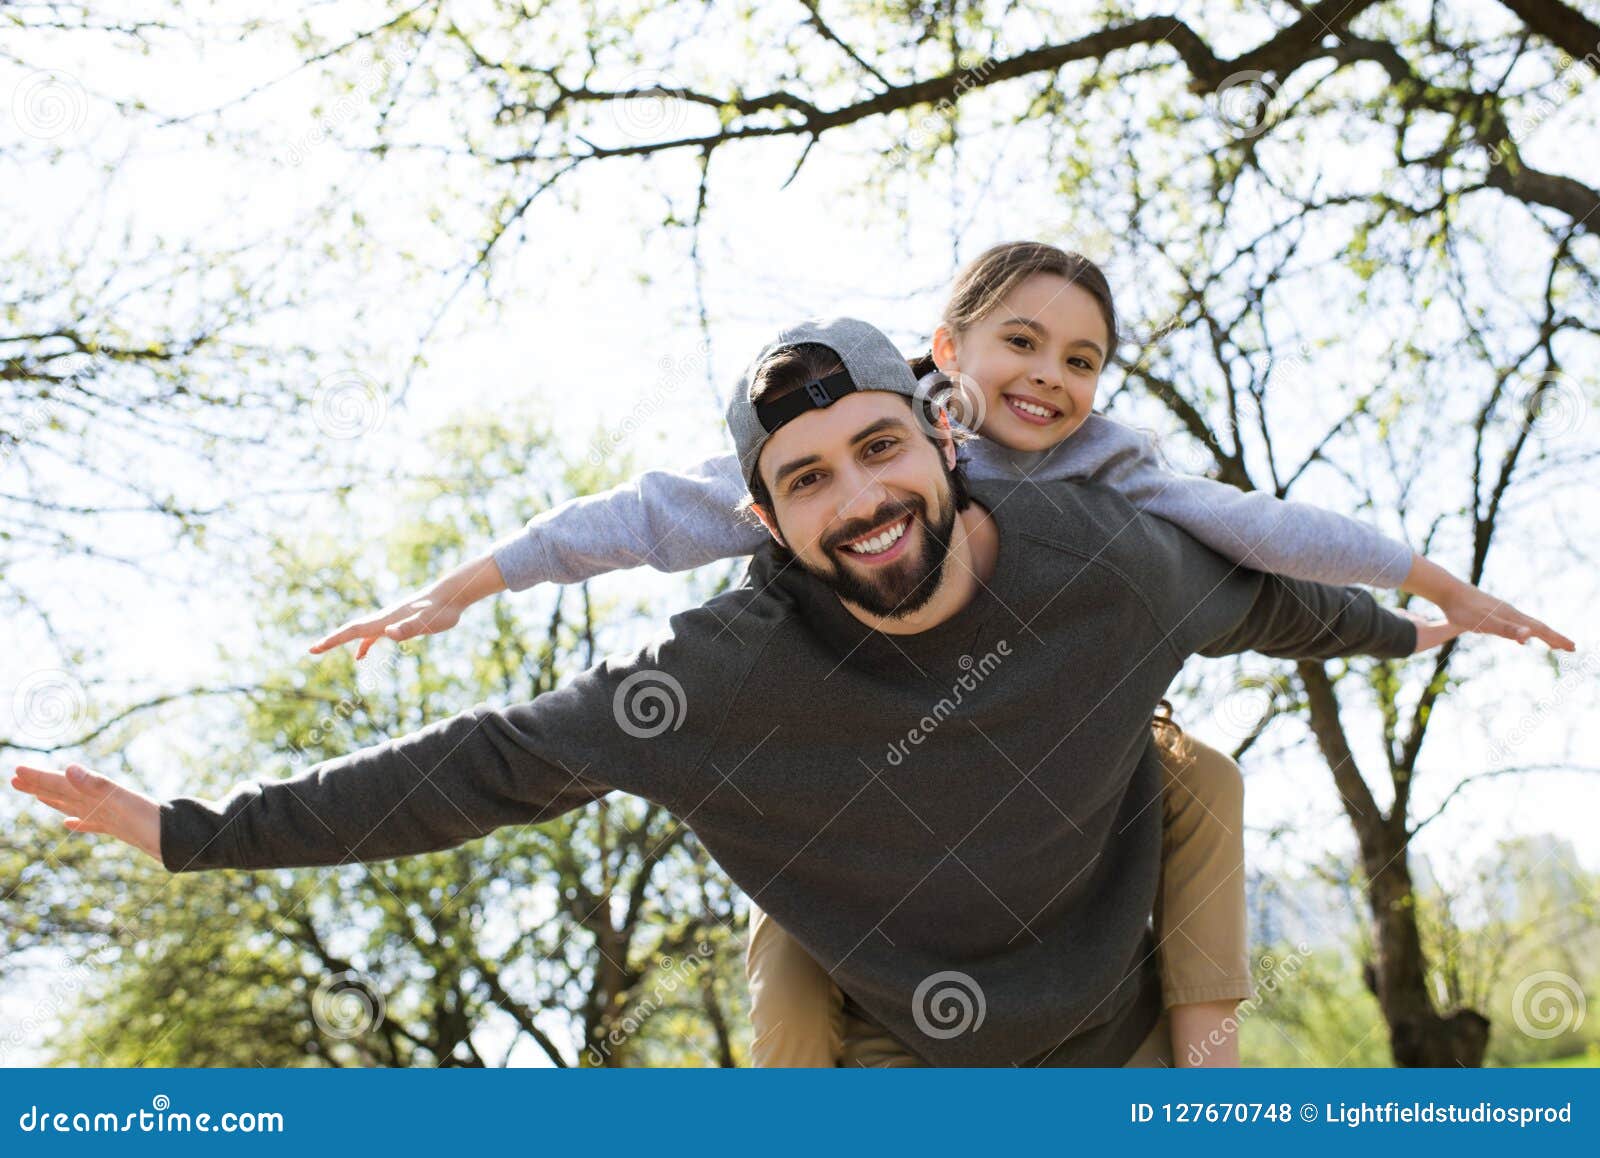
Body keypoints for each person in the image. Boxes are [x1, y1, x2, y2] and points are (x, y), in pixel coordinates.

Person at [13, 316, 1472, 1067]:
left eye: (880, 447)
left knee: (1195, 774)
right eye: (808, 480)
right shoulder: (709, 683)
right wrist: (188, 831)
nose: (862, 500)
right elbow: (473, 767)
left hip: (1136, 1037)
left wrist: (1421, 631)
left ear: (946, 441)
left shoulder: (1102, 558)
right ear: (763, 523)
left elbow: (1271, 602)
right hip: (907, 1062)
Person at [306, 243, 1570, 1066]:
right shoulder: (856, 427)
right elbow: (636, 521)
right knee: (797, 936)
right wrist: (461, 586)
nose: (1049, 380)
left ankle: (1206, 1066)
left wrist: (1420, 596)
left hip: (1066, 736)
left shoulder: (1106, 475)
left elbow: (1257, 550)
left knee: (1207, 783)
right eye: (1018, 344)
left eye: (1081, 360)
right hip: (846, 761)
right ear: (944, 355)